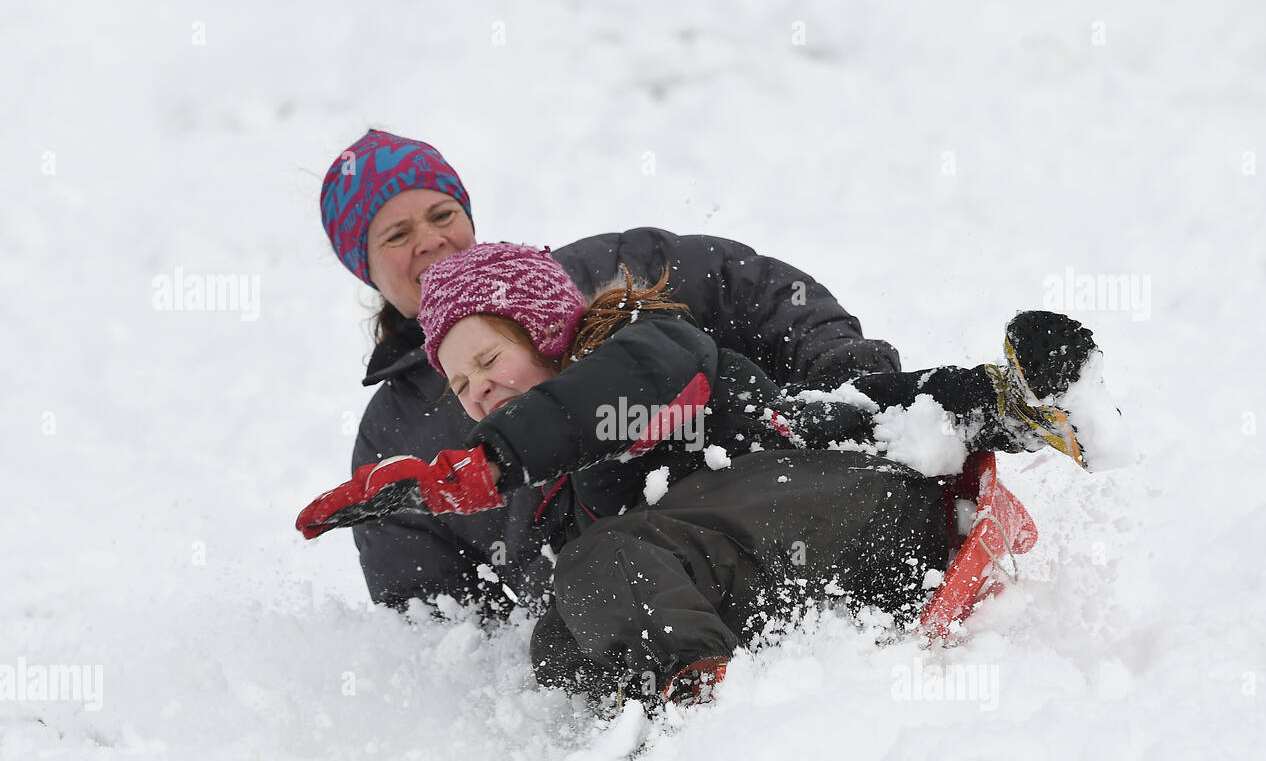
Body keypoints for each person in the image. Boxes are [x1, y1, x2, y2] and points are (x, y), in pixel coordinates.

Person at [297, 243, 1105, 706]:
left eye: (489, 359)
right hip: (776, 592)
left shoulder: (651, 348)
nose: (482, 391)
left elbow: (835, 413)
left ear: (546, 331)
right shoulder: (554, 501)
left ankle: (706, 712)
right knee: (564, 619)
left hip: (850, 523)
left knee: (605, 557)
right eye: (464, 388)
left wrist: (979, 403)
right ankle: (696, 681)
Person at [318, 129, 904, 614]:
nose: (429, 240)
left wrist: (845, 374)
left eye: (441, 213)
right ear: (363, 267)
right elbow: (429, 611)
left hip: (747, 501)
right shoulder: (390, 434)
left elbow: (750, 289)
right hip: (614, 607)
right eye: (397, 235)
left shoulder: (597, 271)